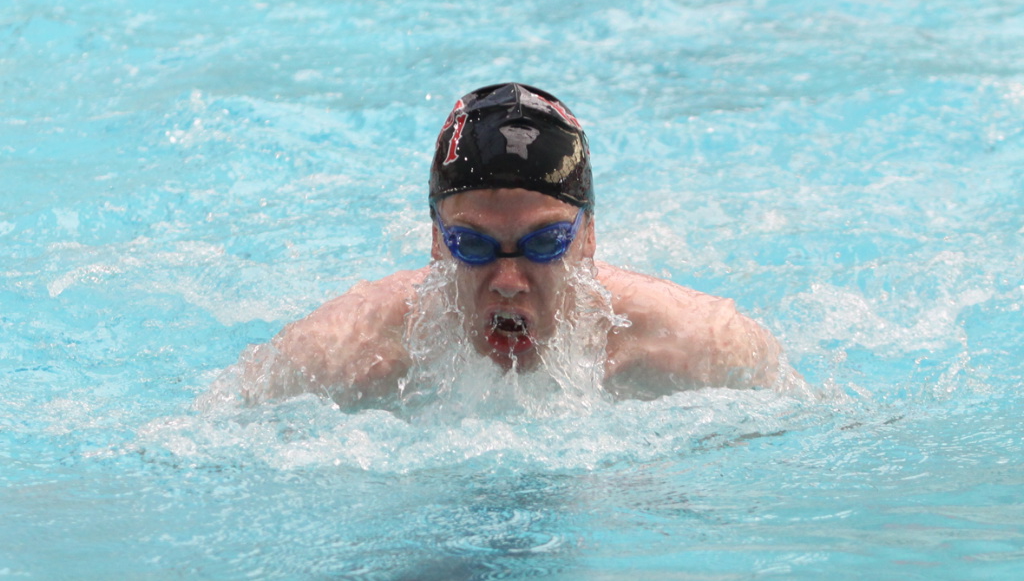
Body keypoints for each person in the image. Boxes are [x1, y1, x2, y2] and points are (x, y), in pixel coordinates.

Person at [239, 83, 790, 407]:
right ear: (436, 239)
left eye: (545, 242)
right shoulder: (335, 355)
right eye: (473, 245)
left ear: (589, 236)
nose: (508, 280)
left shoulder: (706, 346)